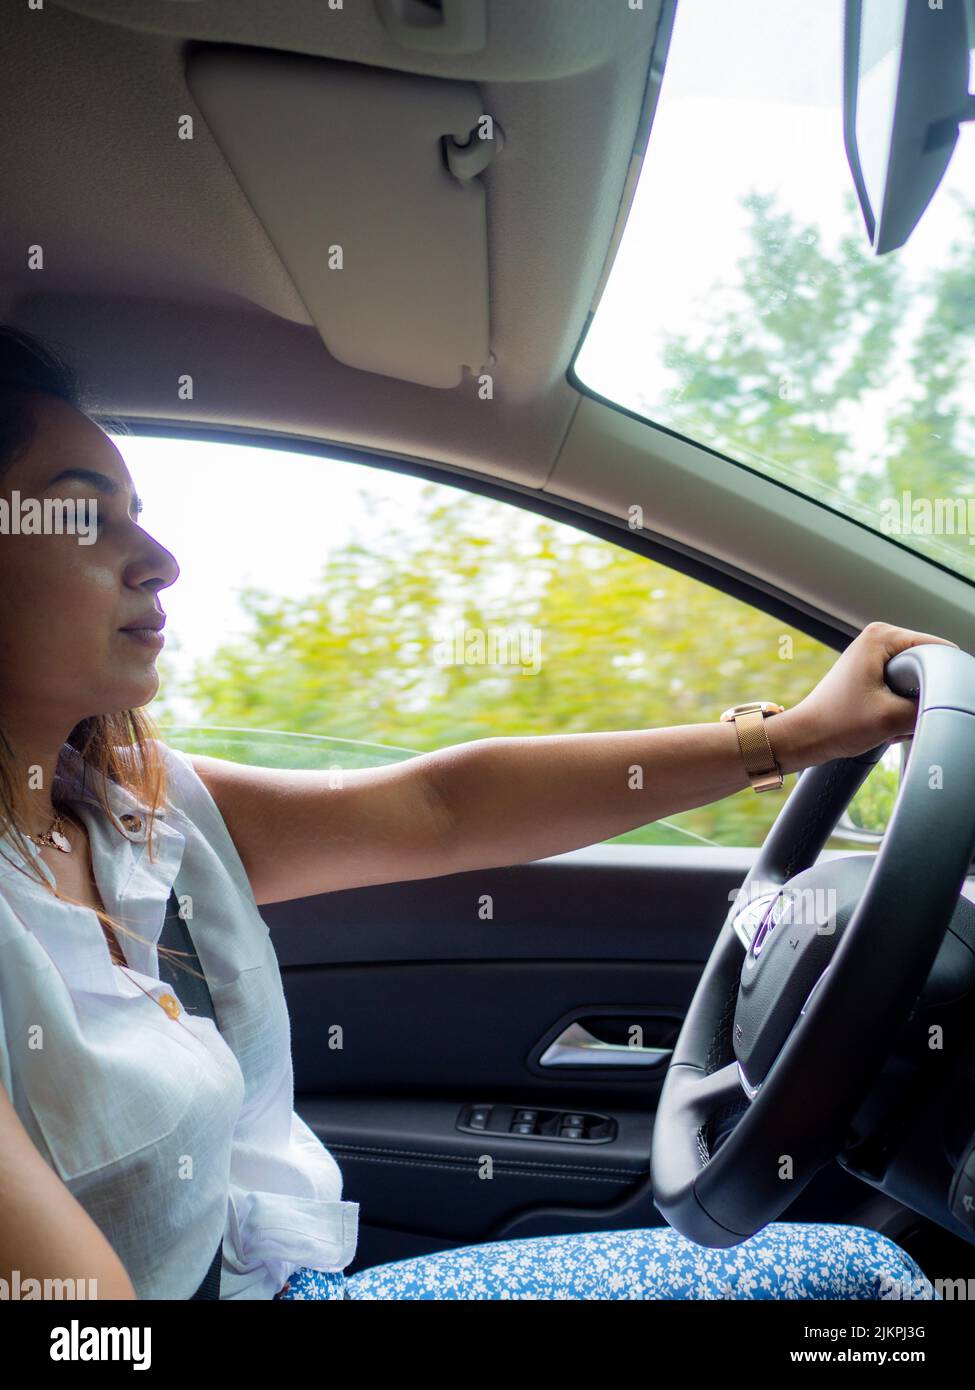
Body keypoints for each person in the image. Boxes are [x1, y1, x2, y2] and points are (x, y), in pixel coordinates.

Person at [0, 325, 945, 1301]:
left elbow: (436, 808)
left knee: (856, 1278)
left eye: (138, 515)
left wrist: (789, 737)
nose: (158, 560)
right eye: (82, 518)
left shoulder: (137, 808)